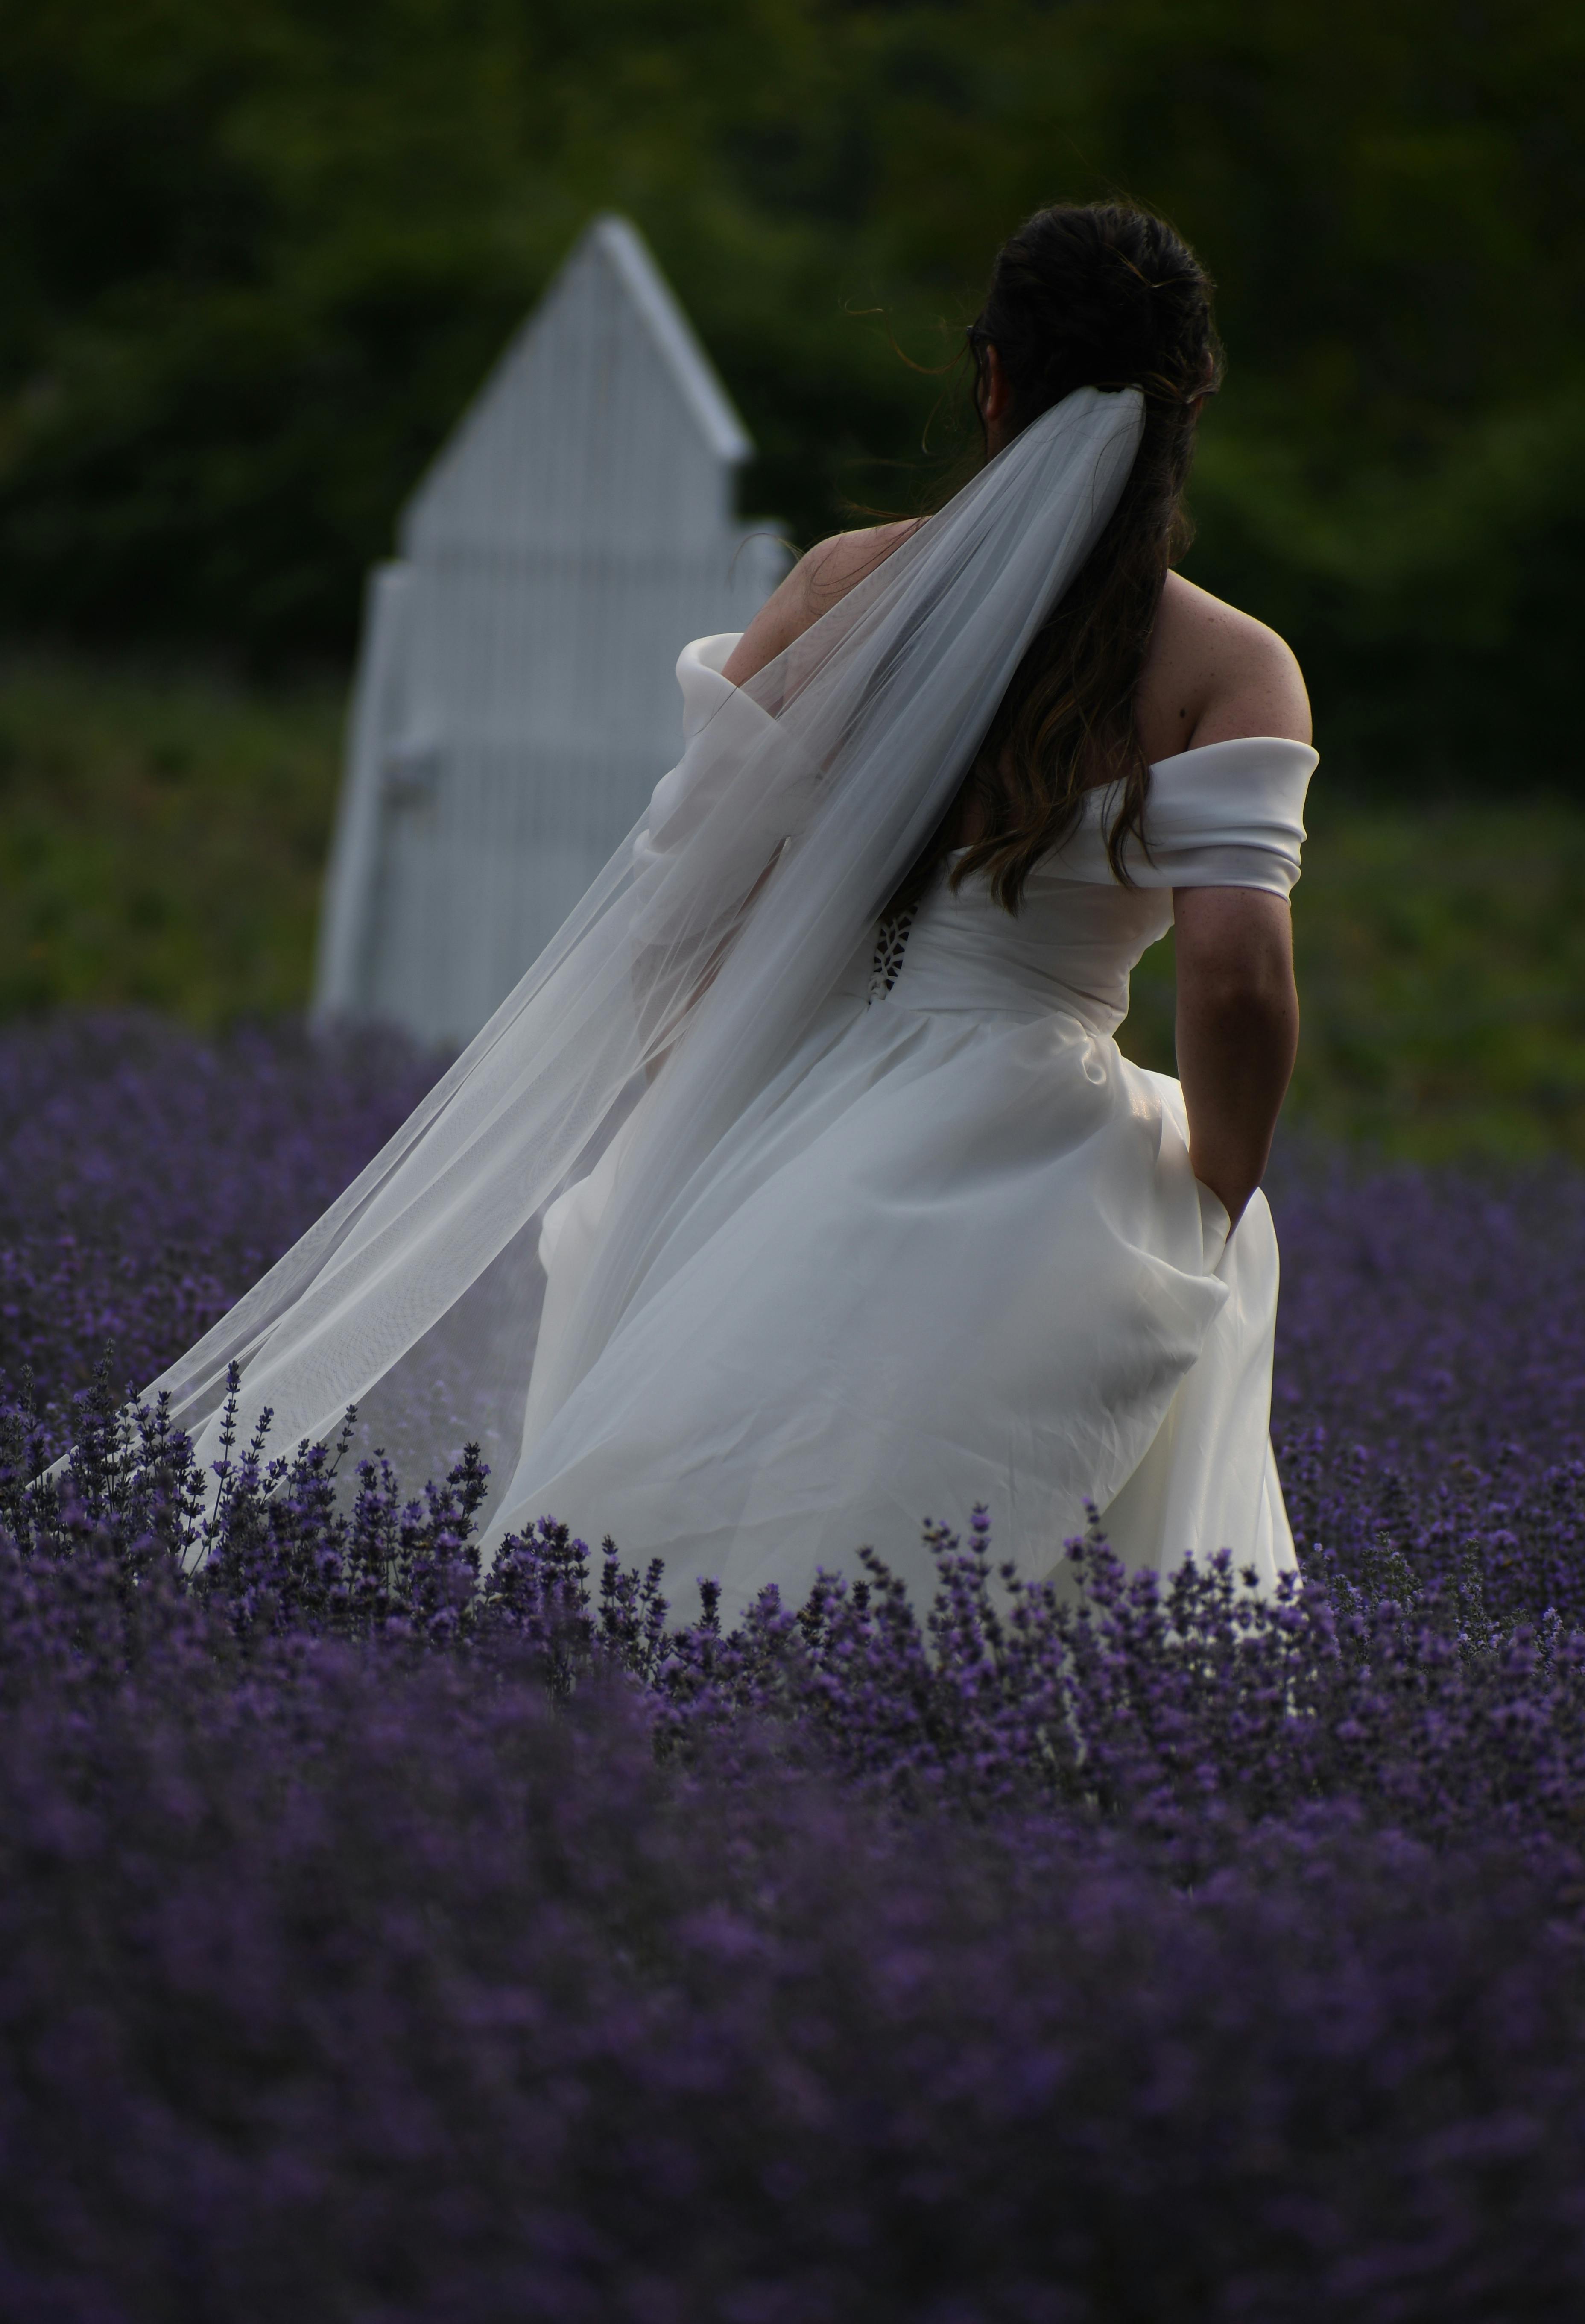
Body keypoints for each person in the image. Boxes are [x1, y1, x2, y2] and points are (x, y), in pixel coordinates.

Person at [146, 200, 1316, 1615]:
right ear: (1189, 404)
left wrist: (695, 1110)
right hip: (1043, 1140)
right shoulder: (1227, 667)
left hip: (779, 1081)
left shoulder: (842, 586)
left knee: (672, 1538)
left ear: (992, 376)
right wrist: (1213, 1191)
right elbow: (1241, 983)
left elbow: (688, 892)